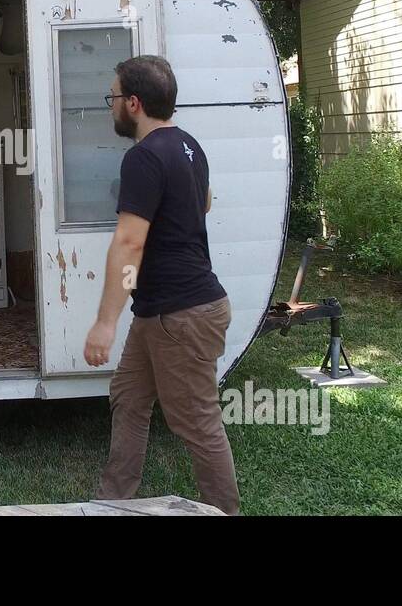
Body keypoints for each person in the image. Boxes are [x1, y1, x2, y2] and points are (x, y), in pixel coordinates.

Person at [83, 54, 239, 515]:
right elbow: (202, 204)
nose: (110, 105)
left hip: (182, 314)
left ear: (133, 103)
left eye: (113, 96)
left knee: (196, 421)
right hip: (160, 311)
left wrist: (105, 323)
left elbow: (130, 244)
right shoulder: (190, 146)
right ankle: (113, 504)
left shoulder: (144, 157)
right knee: (129, 398)